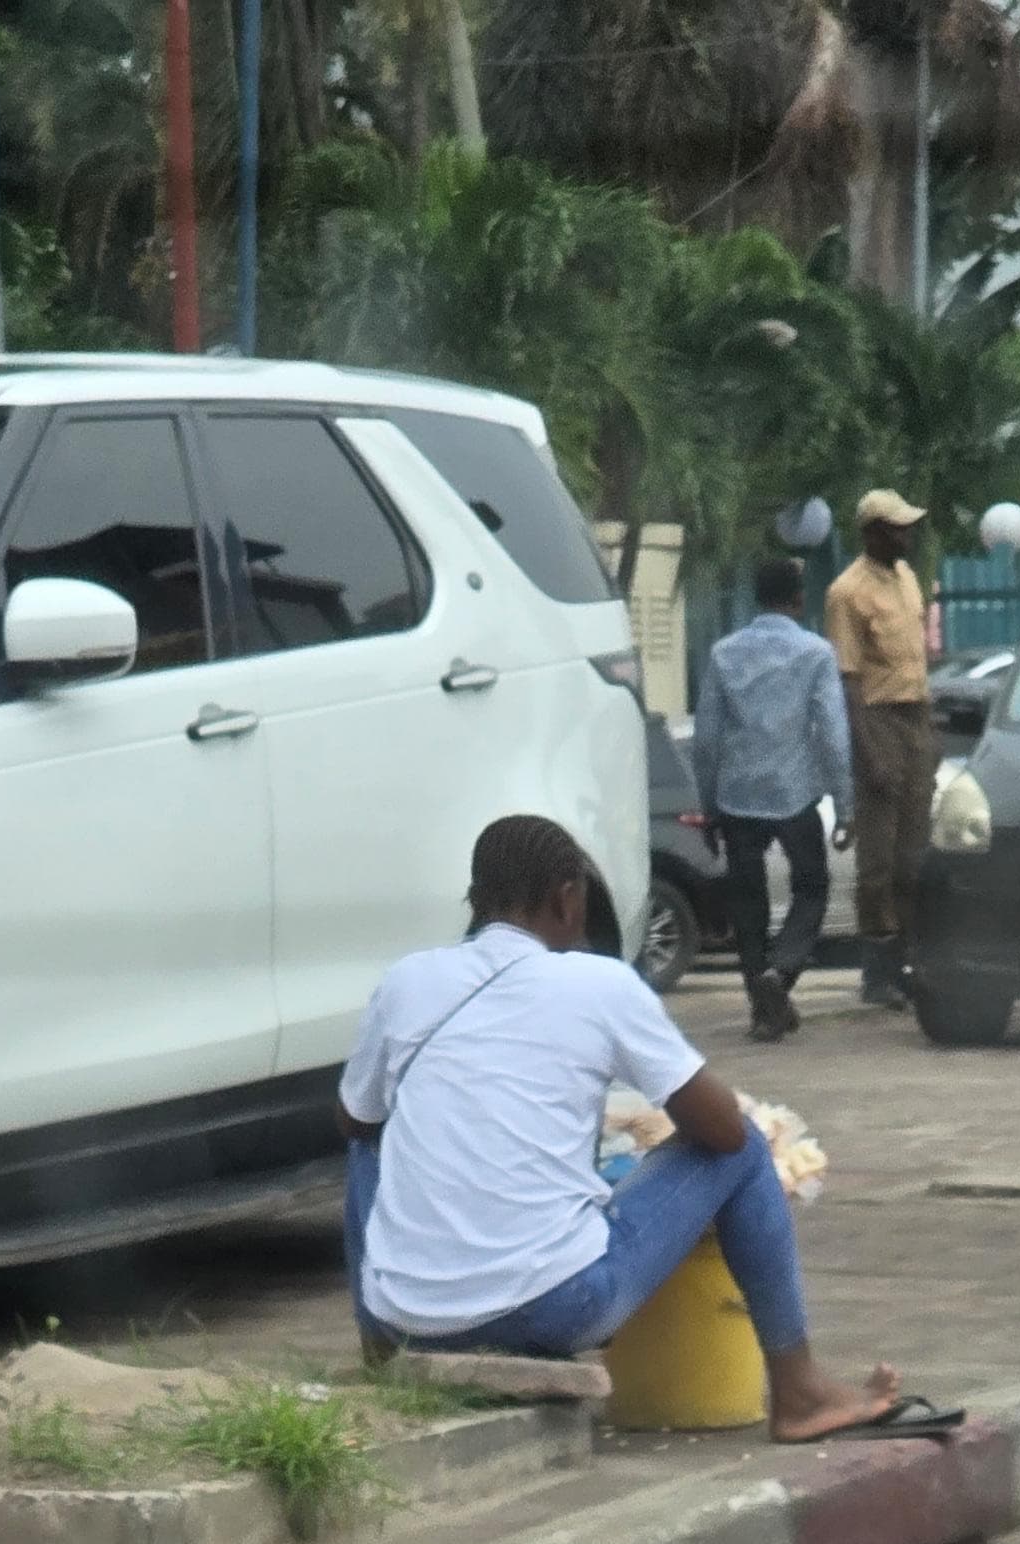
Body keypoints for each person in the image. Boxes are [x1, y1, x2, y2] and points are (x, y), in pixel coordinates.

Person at [338, 816, 951, 1443]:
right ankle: (798, 1392)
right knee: (742, 1150)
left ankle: (380, 1358)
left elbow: (355, 1118)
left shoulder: (408, 981)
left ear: (476, 901)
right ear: (567, 897)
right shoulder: (601, 985)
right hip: (554, 1307)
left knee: (368, 1138)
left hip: (404, 1315)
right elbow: (720, 1133)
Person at [692, 555, 856, 1042]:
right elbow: (832, 733)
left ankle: (762, 1008)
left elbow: (706, 739)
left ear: (756, 597)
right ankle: (779, 975)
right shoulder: (815, 653)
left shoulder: (724, 653)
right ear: (798, 599)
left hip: (738, 796)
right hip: (795, 795)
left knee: (748, 903)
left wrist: (709, 806)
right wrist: (845, 806)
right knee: (811, 887)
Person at [826, 489, 939, 1011]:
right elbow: (847, 680)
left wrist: (929, 735)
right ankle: (879, 970)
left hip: (915, 716)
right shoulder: (846, 592)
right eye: (897, 528)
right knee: (880, 857)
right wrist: (867, 750)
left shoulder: (909, 580)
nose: (907, 535)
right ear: (872, 531)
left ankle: (913, 961)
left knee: (916, 851)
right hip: (877, 718)